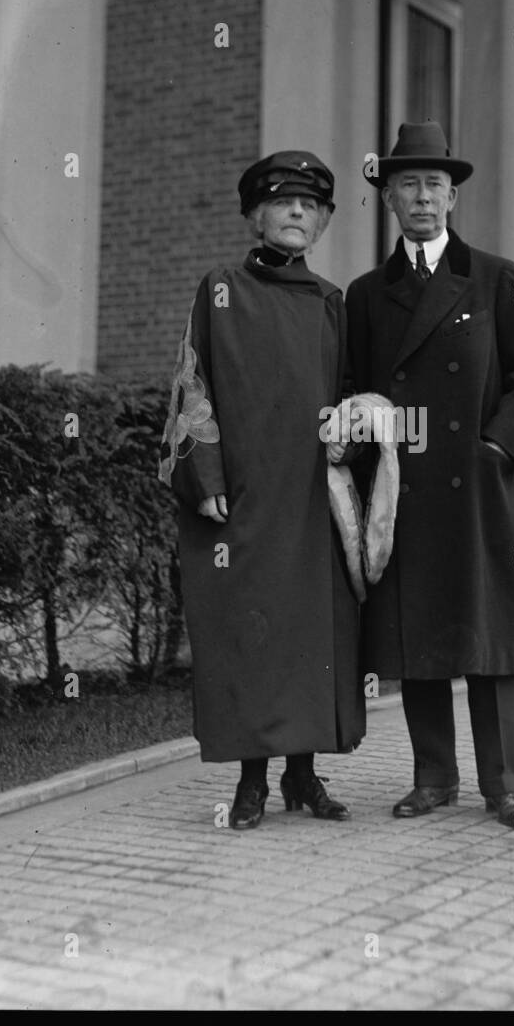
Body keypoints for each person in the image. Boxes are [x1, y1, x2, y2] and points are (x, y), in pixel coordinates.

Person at [345, 121, 514, 830]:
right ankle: (432, 778)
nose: (422, 197)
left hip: (477, 484)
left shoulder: (499, 278)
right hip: (405, 489)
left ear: (453, 196)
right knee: (419, 635)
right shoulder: (367, 294)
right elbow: (352, 389)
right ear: (388, 199)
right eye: (407, 184)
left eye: (434, 184)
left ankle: (503, 786)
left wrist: (500, 447)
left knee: (486, 640)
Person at [158, 151, 364, 830]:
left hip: (312, 498)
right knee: (249, 631)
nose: (297, 213)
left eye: (310, 205)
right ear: (255, 215)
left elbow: (348, 399)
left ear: (325, 220)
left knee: (311, 633)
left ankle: (303, 778)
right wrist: (206, 477)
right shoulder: (220, 290)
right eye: (283, 203)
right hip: (243, 496)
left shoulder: (332, 303)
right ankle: (252, 783)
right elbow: (194, 387)